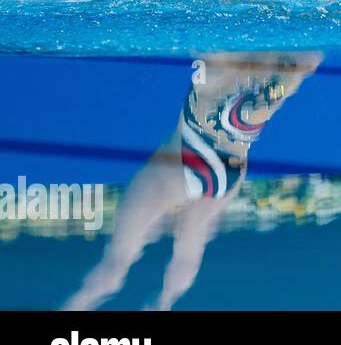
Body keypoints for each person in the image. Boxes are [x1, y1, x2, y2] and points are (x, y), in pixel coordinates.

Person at [63, 52, 321, 310]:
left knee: (116, 263)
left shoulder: (222, 53)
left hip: (192, 155)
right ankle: (164, 304)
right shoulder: (285, 58)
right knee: (188, 250)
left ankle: (76, 306)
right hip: (229, 168)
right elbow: (306, 65)